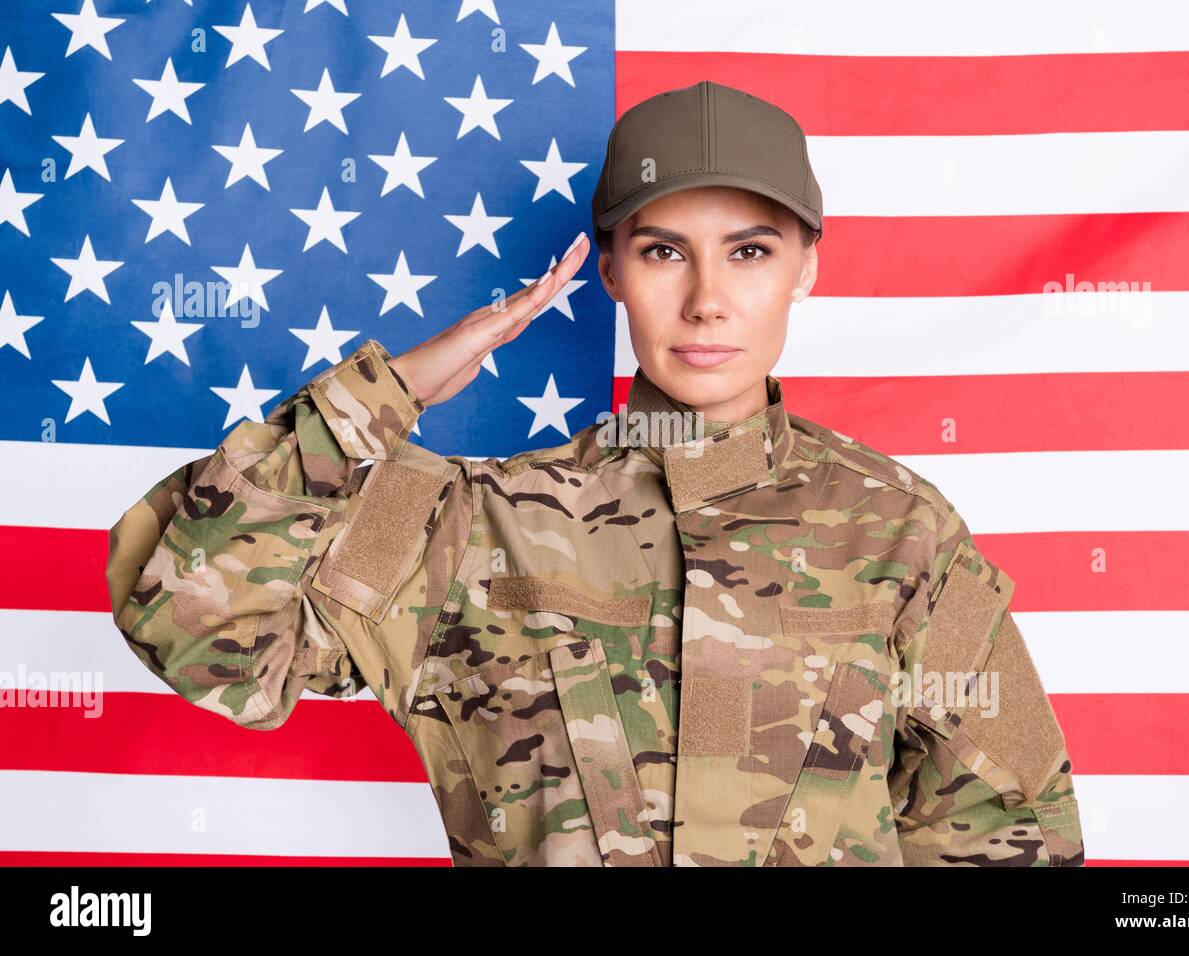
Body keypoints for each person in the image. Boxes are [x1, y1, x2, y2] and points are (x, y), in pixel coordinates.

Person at [105, 79, 1085, 867]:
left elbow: (1012, 828)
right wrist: (388, 390)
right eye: (664, 252)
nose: (705, 300)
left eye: (748, 251)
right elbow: (197, 628)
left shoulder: (902, 528)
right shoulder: (469, 522)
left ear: (807, 268)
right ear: (609, 268)